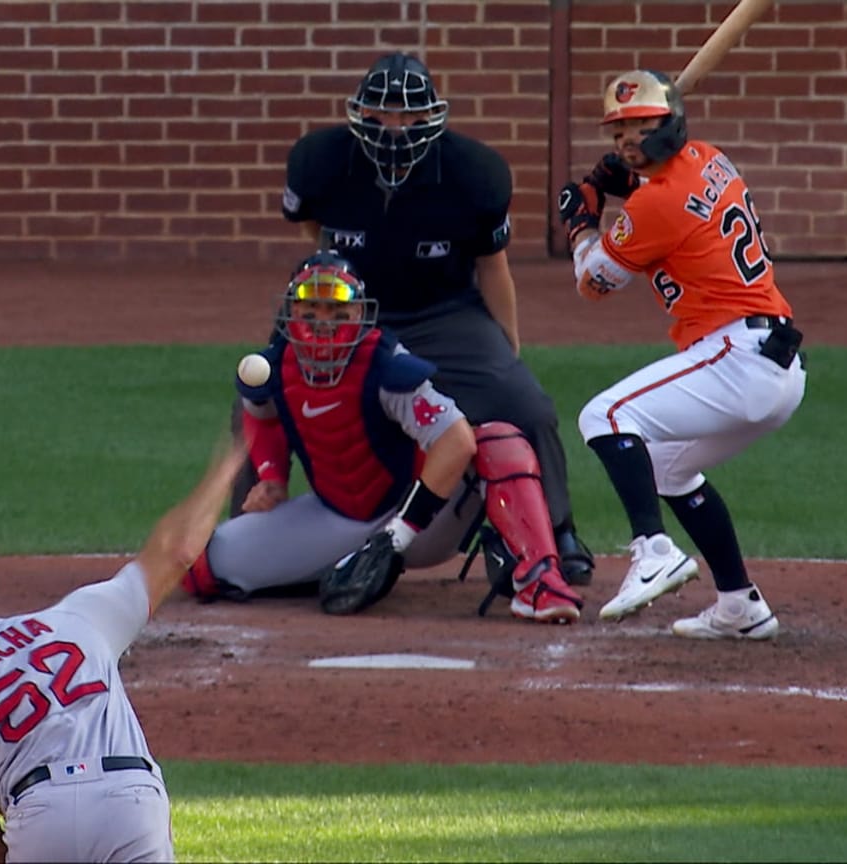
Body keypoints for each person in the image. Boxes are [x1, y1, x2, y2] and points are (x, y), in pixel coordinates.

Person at [245, 50, 597, 587]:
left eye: (409, 115)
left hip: (443, 310)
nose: (395, 127)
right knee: (259, 387)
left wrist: (506, 347)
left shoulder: (475, 173)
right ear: (360, 113)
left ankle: (558, 530)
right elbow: (315, 230)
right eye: (383, 113)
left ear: (432, 116)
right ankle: (253, 520)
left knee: (526, 404)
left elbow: (492, 265)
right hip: (344, 306)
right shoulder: (318, 160)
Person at [184, 250, 584, 623]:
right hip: (335, 516)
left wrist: (396, 536)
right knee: (202, 569)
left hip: (419, 521)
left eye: (337, 311)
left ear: (359, 314)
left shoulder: (388, 365)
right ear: (292, 312)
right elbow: (262, 418)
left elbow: (456, 441)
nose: (323, 323)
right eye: (312, 310)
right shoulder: (271, 368)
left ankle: (540, 581)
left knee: (499, 440)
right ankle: (333, 566)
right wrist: (272, 478)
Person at [0, 435, 246, 862]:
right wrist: (229, 466)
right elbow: (178, 551)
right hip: (128, 801)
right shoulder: (78, 617)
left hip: (41, 814)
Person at [557, 69, 807, 640]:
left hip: (736, 356)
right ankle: (740, 605)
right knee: (669, 468)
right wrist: (629, 182)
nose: (627, 139)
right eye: (619, 131)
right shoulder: (710, 158)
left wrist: (580, 223)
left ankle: (654, 551)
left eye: (641, 126)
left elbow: (594, 282)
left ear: (669, 123)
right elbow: (673, 199)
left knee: (605, 416)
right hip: (776, 365)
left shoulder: (655, 204)